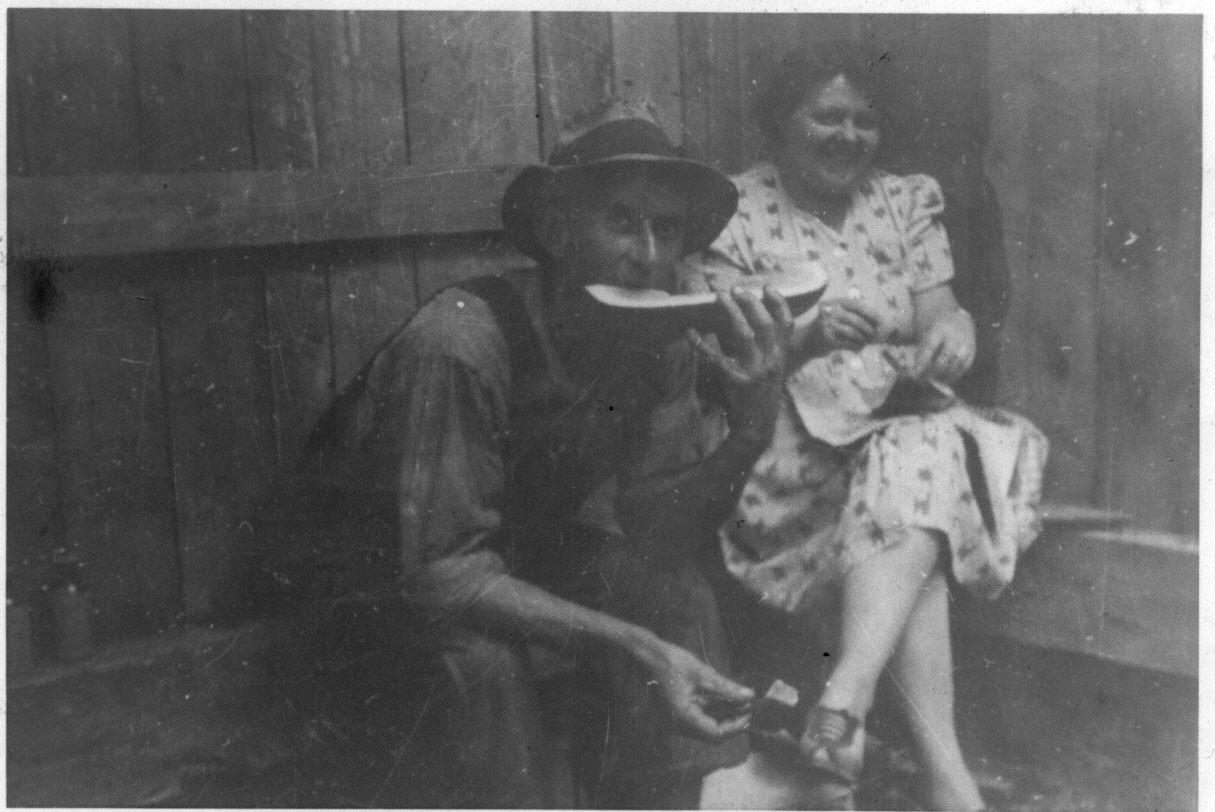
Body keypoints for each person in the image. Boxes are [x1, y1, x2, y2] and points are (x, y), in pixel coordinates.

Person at [235, 98, 797, 809]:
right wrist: (631, 645)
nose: (648, 256)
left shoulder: (659, 342)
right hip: (363, 590)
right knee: (482, 664)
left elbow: (655, 537)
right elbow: (437, 575)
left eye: (666, 229)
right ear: (559, 231)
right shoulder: (461, 344)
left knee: (676, 597)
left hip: (505, 556)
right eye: (622, 222)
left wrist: (750, 428)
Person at [691, 46, 1048, 812]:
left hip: (901, 427)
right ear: (780, 123)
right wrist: (809, 335)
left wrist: (955, 334)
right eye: (827, 116)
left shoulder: (903, 201)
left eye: (863, 119)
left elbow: (937, 312)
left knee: (918, 448)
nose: (848, 135)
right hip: (790, 450)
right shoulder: (735, 209)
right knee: (921, 487)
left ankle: (844, 707)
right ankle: (940, 773)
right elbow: (717, 361)